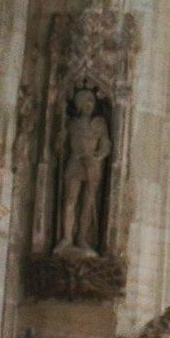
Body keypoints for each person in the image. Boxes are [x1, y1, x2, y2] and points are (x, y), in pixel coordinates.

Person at [57, 88, 112, 252]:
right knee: (70, 201)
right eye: (84, 101)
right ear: (78, 105)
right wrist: (59, 139)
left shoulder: (99, 124)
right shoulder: (71, 123)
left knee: (88, 203)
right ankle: (67, 237)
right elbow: (59, 147)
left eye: (91, 101)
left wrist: (97, 155)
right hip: (75, 163)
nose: (88, 104)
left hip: (92, 166)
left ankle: (82, 237)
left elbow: (106, 145)